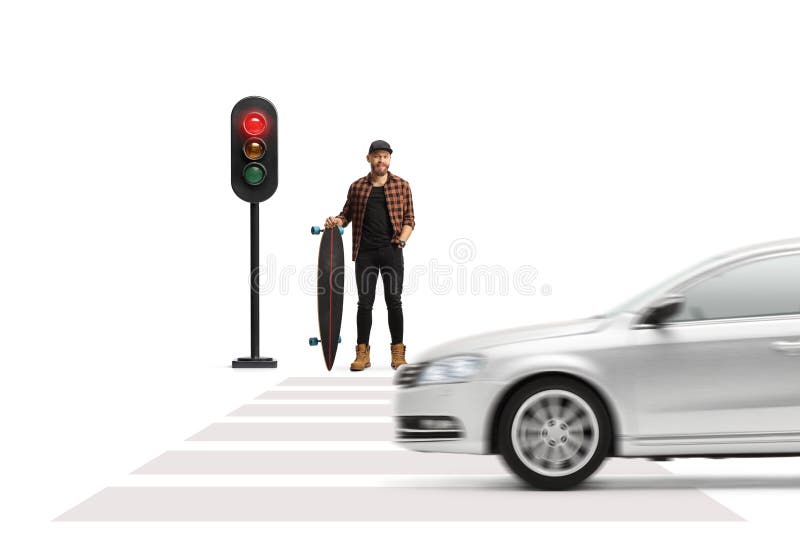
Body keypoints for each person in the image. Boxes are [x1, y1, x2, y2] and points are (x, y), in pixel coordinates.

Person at [325, 140, 415, 371]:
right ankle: (362, 353)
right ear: (369, 159)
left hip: (392, 252)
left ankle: (398, 352)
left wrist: (402, 241)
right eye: (377, 156)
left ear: (390, 159)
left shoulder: (402, 185)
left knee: (394, 301)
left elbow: (409, 219)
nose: (381, 160)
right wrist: (336, 221)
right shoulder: (357, 187)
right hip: (365, 253)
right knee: (365, 303)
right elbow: (346, 215)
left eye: (385, 156)